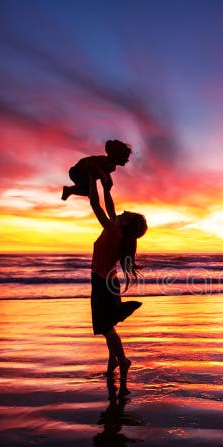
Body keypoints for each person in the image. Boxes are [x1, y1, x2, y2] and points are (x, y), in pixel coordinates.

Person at [87, 169, 148, 390]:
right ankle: (113, 360)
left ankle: (123, 360)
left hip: (104, 283)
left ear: (126, 223)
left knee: (105, 327)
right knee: (107, 324)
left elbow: (96, 206)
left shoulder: (114, 232)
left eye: (126, 212)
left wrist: (92, 180)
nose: (122, 211)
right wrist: (106, 187)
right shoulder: (118, 230)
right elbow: (110, 208)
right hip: (106, 281)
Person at [62, 139, 132, 201]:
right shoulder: (104, 160)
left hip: (85, 176)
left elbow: (106, 172)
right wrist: (102, 175)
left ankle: (68, 190)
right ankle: (69, 190)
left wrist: (108, 179)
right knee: (88, 191)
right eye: (125, 157)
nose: (127, 160)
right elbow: (95, 167)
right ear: (117, 156)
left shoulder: (112, 167)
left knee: (87, 190)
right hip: (77, 172)